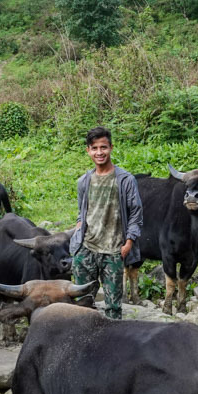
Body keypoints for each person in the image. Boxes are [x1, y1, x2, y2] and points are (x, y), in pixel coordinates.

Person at [69, 126, 143, 320]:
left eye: (103, 147)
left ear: (111, 147)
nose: (99, 152)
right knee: (82, 305)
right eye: (94, 148)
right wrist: (79, 226)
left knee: (113, 308)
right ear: (88, 151)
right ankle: (84, 346)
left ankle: (112, 348)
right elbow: (82, 211)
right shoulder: (84, 181)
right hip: (86, 250)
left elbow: (136, 214)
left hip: (113, 251)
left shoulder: (125, 180)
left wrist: (129, 243)